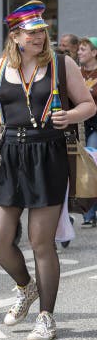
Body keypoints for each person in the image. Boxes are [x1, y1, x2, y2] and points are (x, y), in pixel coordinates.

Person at [0, 1, 96, 340]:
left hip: (47, 154)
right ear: (16, 35)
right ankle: (26, 287)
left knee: (41, 242)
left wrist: (70, 116)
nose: (40, 37)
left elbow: (89, 105)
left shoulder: (61, 64)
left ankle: (46, 316)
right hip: (7, 155)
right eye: (32, 32)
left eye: (42, 32)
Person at [76, 37, 97, 227]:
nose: (79, 52)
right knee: (84, 166)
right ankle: (89, 213)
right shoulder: (77, 73)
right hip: (80, 126)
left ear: (94, 52)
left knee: (90, 160)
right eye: (79, 50)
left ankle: (90, 213)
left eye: (83, 49)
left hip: (95, 126)